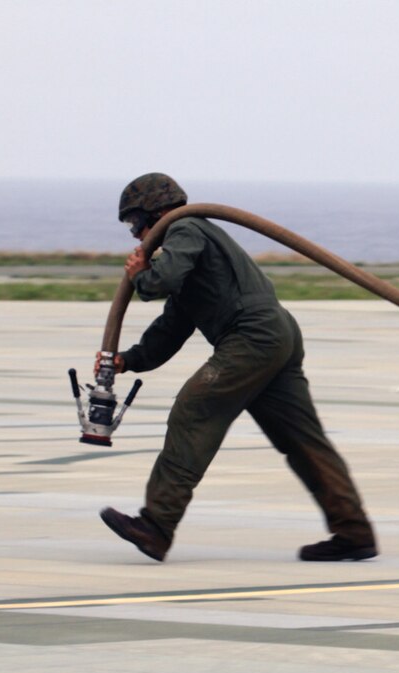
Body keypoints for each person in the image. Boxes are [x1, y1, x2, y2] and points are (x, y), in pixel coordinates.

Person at [98, 172, 377, 563]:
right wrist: (129, 360)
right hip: (276, 335)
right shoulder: (192, 242)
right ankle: (354, 532)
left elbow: (160, 281)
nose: (134, 235)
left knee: (194, 411)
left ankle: (156, 525)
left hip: (252, 337)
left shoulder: (185, 227)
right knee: (302, 440)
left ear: (156, 212)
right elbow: (172, 326)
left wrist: (141, 273)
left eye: (135, 223)